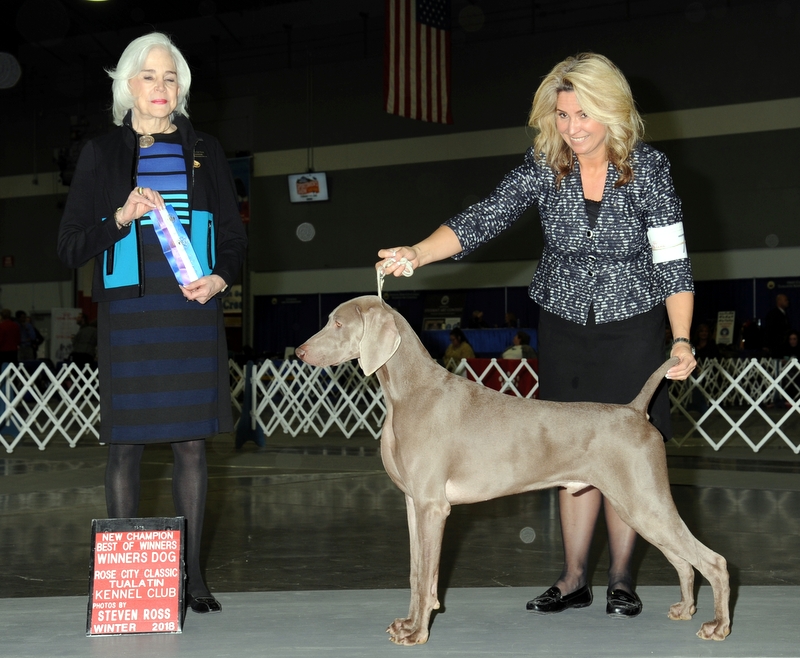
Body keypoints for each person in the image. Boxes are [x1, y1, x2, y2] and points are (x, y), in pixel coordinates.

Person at [378, 53, 696, 619]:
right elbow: (486, 217)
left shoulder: (648, 168)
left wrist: (680, 338)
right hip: (567, 327)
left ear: (613, 111)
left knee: (621, 454)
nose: (572, 128)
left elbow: (672, 260)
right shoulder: (546, 165)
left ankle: (622, 579)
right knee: (566, 452)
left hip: (634, 328)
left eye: (583, 114)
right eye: (563, 115)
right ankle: (574, 577)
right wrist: (418, 253)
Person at [57, 32, 247, 615]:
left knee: (192, 445)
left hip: (191, 311)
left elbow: (236, 242)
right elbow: (69, 249)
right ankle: (127, 581)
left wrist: (219, 278)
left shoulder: (207, 151)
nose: (160, 87)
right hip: (129, 315)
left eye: (171, 78)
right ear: (127, 85)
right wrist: (120, 216)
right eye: (149, 76)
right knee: (126, 447)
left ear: (181, 89)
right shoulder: (99, 154)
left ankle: (191, 578)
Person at [763, 293, 791, 357]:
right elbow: (768, 330)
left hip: (784, 345)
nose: (787, 302)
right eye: (785, 300)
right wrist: (766, 345)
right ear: (779, 301)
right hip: (775, 346)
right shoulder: (773, 314)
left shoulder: (785, 314)